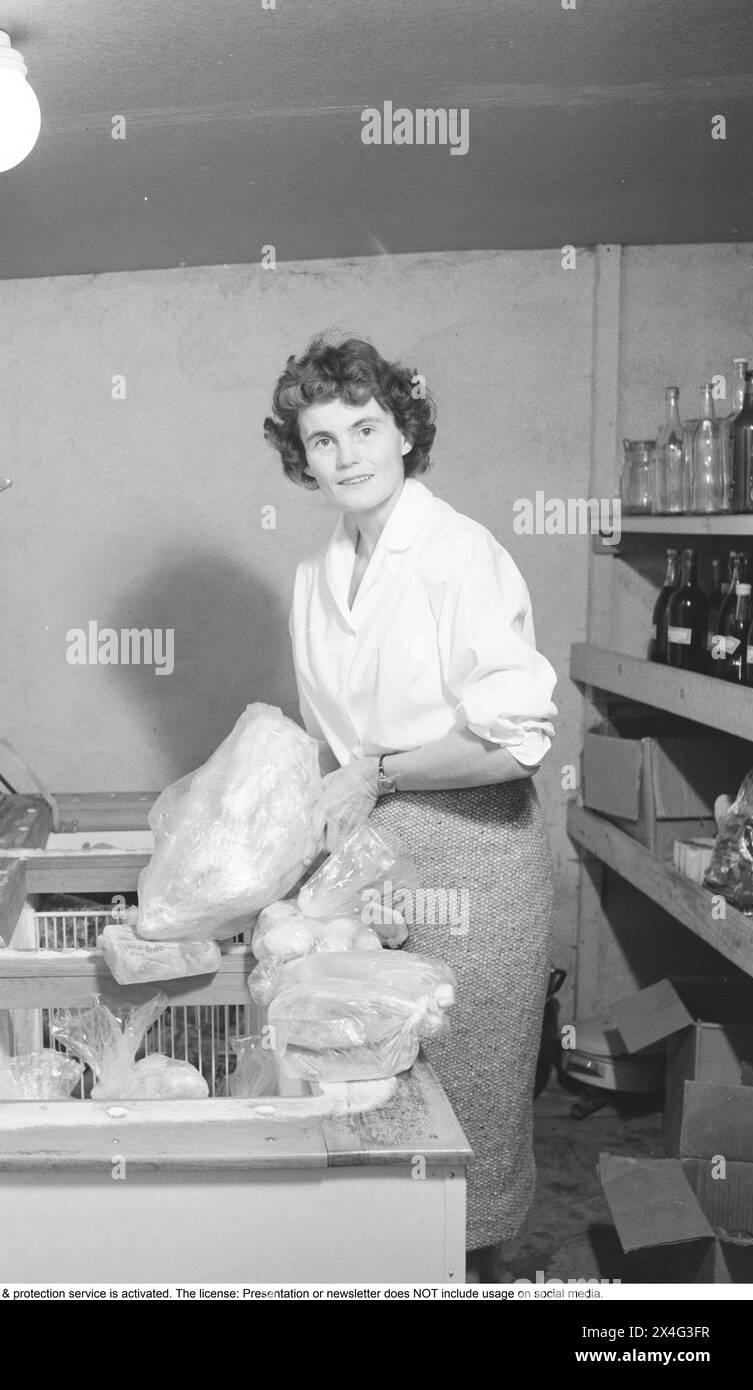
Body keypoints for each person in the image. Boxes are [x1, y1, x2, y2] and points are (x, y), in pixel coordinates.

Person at [264, 334, 558, 1281]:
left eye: (365, 428)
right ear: (300, 458)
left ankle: (470, 1275)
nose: (346, 455)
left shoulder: (459, 552)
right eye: (321, 439)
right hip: (374, 859)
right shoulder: (314, 578)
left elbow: (513, 740)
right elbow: (336, 748)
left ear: (404, 435)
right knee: (375, 1083)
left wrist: (379, 772)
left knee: (466, 1102)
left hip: (479, 858)